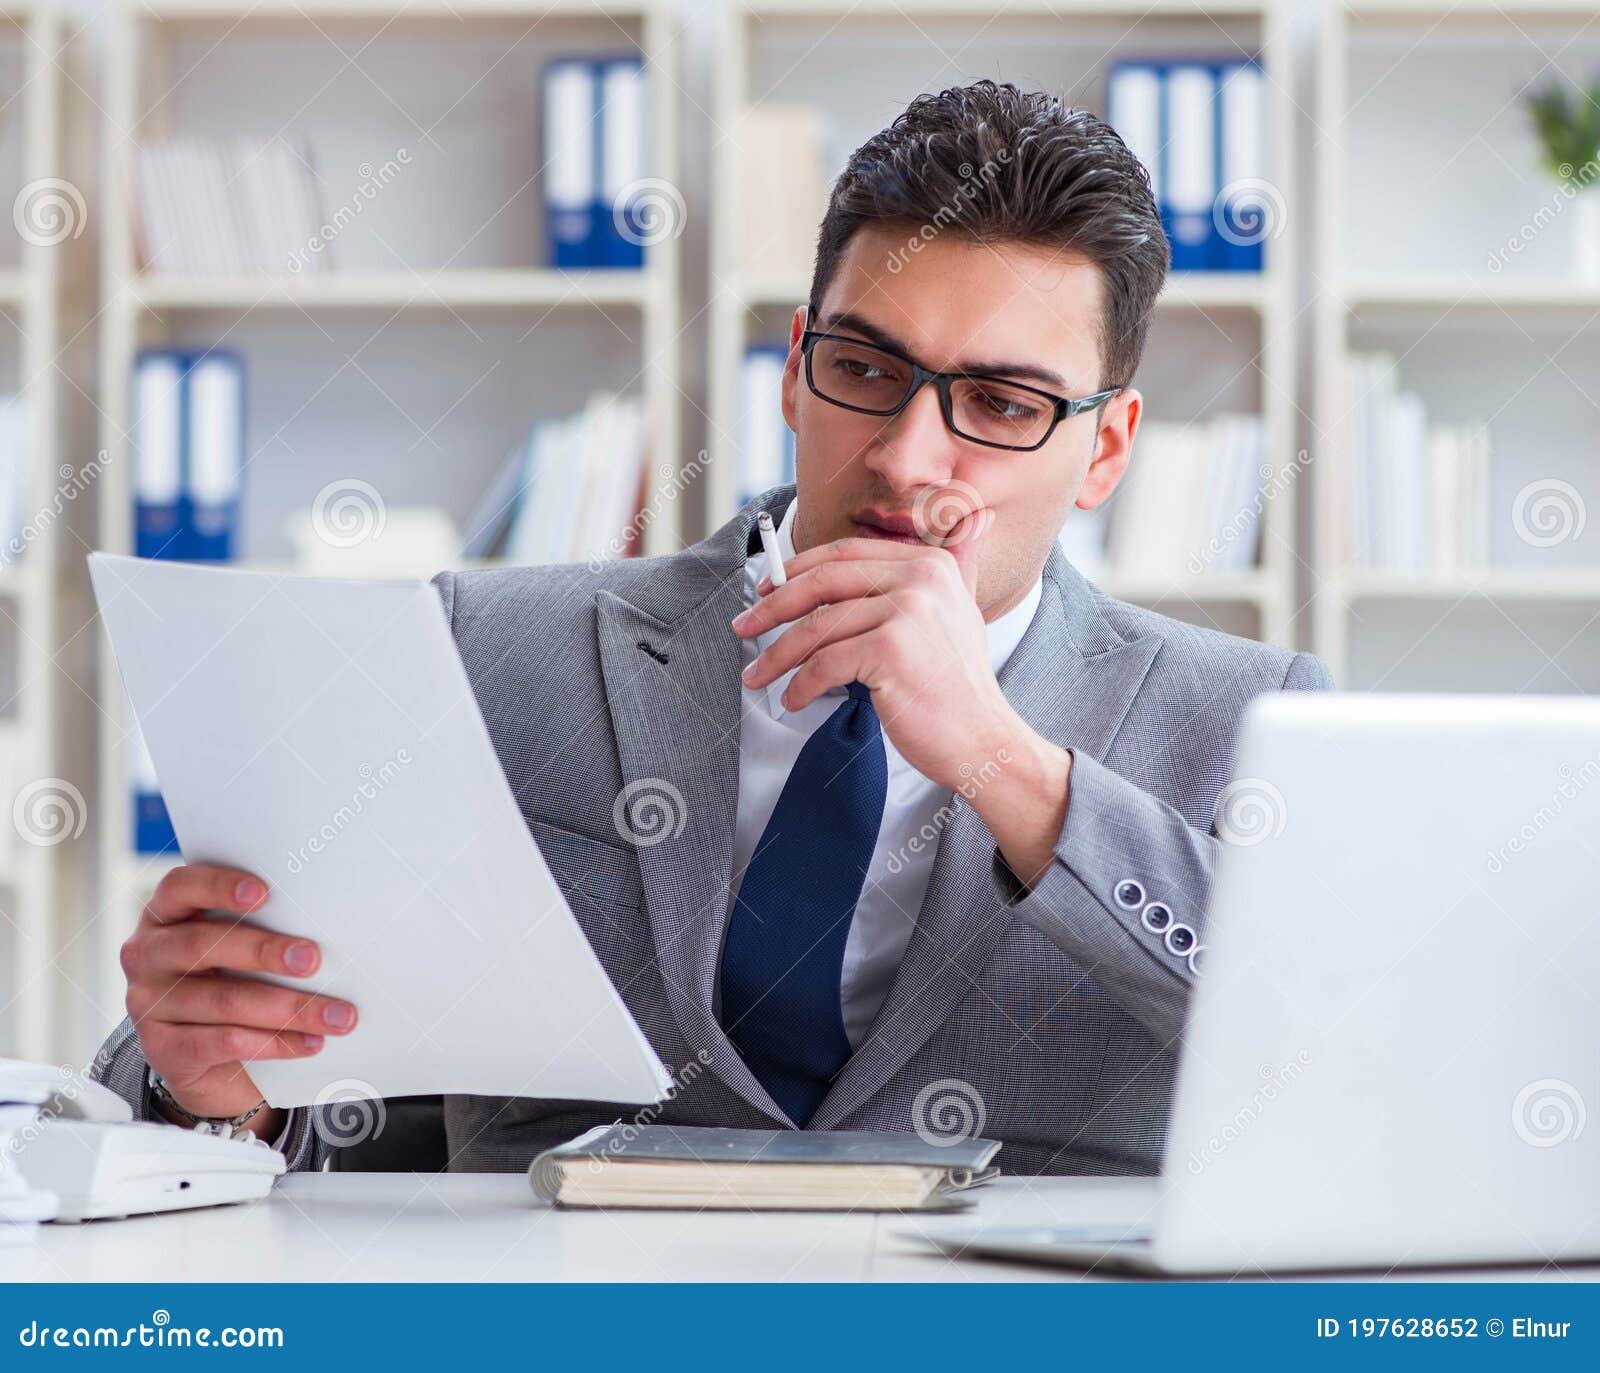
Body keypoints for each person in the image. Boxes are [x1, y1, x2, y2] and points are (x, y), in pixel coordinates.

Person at [93, 80, 1329, 1174]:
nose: (906, 456)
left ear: (1105, 447)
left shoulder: (1248, 716)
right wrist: (222, 1099)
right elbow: (338, 1106)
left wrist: (998, 757)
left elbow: (1338, 1047)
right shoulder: (492, 648)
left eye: (1000, 403)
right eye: (865, 368)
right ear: (794, 366)